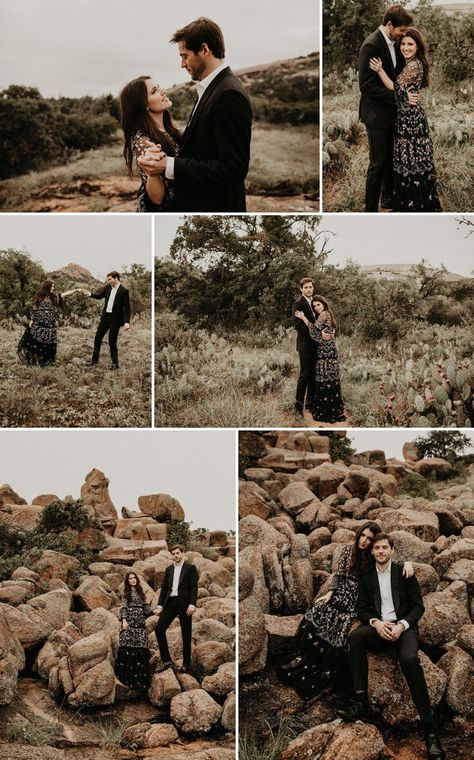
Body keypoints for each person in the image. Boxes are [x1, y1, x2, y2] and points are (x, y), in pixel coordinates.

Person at [277, 523, 414, 702]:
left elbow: (388, 562)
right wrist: (329, 594)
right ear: (358, 534)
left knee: (337, 631)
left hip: (356, 601)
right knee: (316, 613)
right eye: (362, 536)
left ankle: (321, 675)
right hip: (340, 594)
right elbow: (339, 576)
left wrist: (407, 563)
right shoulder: (348, 551)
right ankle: (300, 661)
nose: (364, 541)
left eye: (369, 539)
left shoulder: (374, 556)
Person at [340, 533, 445, 760]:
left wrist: (402, 626)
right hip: (382, 628)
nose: (380, 551)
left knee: (409, 660)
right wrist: (376, 623)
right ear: (372, 551)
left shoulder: (404, 572)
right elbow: (363, 609)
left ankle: (430, 732)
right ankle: (360, 702)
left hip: (405, 628)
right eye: (376, 548)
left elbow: (418, 607)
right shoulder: (367, 577)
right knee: (356, 637)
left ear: (392, 550)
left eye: (384, 547)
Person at [137, 17, 252, 212]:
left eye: (185, 56)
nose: (182, 64)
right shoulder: (211, 89)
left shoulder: (228, 94)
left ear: (204, 50)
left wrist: (169, 166)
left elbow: (234, 168)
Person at [369, 28, 442, 212]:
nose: (405, 47)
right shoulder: (408, 63)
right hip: (406, 117)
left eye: (410, 44)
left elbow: (394, 87)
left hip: (411, 121)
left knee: (412, 161)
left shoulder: (414, 65)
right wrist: (404, 96)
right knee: (408, 161)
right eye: (403, 43)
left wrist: (379, 70)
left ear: (417, 46)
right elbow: (402, 91)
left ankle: (415, 204)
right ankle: (408, 202)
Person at [359, 4, 415, 212]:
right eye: (401, 30)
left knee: (391, 159)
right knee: (377, 164)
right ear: (390, 24)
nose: (403, 34)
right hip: (376, 116)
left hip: (394, 113)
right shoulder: (371, 45)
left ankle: (388, 202)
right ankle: (370, 210)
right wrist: (398, 97)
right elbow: (366, 86)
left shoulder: (395, 42)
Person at [119, 75, 182, 212]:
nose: (163, 91)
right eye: (154, 91)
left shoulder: (170, 130)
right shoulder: (144, 142)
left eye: (158, 87)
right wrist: (152, 172)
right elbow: (157, 198)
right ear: (144, 105)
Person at [295, 294, 345, 423]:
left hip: (325, 351)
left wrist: (303, 317)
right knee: (329, 377)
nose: (316, 308)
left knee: (324, 377)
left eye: (318, 305)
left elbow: (313, 329)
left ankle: (326, 409)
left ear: (323, 304)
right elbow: (324, 331)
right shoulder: (328, 314)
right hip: (329, 350)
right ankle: (331, 406)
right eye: (314, 306)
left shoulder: (323, 315)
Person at [153, 545, 198, 674]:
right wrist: (160, 606)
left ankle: (186, 664)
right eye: (173, 554)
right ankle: (167, 661)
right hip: (171, 603)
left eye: (177, 553)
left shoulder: (190, 568)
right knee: (159, 629)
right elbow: (165, 588)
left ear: (183, 553)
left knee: (186, 633)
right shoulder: (169, 569)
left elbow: (194, 587)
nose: (175, 556)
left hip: (185, 604)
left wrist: (192, 604)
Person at [17, 280, 78, 366]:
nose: (53, 288)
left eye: (54, 286)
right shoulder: (39, 297)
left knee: (49, 341)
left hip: (49, 324)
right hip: (39, 322)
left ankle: (46, 361)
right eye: (52, 286)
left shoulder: (53, 297)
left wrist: (75, 290)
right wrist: (31, 320)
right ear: (47, 287)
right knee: (36, 340)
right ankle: (36, 360)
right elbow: (34, 309)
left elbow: (63, 294)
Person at [82, 271, 130, 370]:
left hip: (115, 320)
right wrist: (90, 294)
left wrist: (127, 322)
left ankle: (115, 364)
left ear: (116, 278)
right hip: (105, 318)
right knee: (97, 338)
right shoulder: (108, 287)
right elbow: (99, 296)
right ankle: (94, 361)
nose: (108, 281)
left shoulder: (124, 291)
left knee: (112, 341)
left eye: (110, 279)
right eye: (107, 279)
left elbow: (126, 308)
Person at [115, 572, 152, 691]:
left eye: (134, 578)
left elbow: (146, 609)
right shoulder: (126, 593)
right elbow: (124, 607)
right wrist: (124, 620)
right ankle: (127, 682)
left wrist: (154, 610)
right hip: (129, 623)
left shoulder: (141, 592)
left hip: (140, 625)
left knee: (140, 648)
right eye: (130, 578)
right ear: (127, 581)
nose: (133, 580)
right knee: (128, 647)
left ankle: (140, 683)